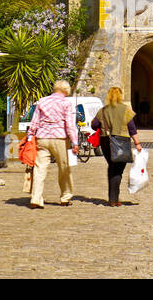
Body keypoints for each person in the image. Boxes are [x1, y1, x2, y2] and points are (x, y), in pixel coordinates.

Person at [25, 79, 81, 209]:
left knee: (40, 169)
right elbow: (69, 124)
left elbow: (35, 121)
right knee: (64, 168)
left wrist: (30, 135)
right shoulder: (66, 103)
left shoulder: (42, 101)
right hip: (59, 138)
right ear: (65, 90)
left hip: (42, 137)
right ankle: (65, 197)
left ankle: (36, 198)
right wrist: (74, 142)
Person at [93, 85, 142, 208]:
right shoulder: (126, 110)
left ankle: (112, 198)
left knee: (112, 166)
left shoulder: (103, 111)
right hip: (121, 141)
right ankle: (114, 198)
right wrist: (137, 143)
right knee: (118, 170)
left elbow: (94, 125)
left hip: (106, 141)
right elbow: (132, 128)